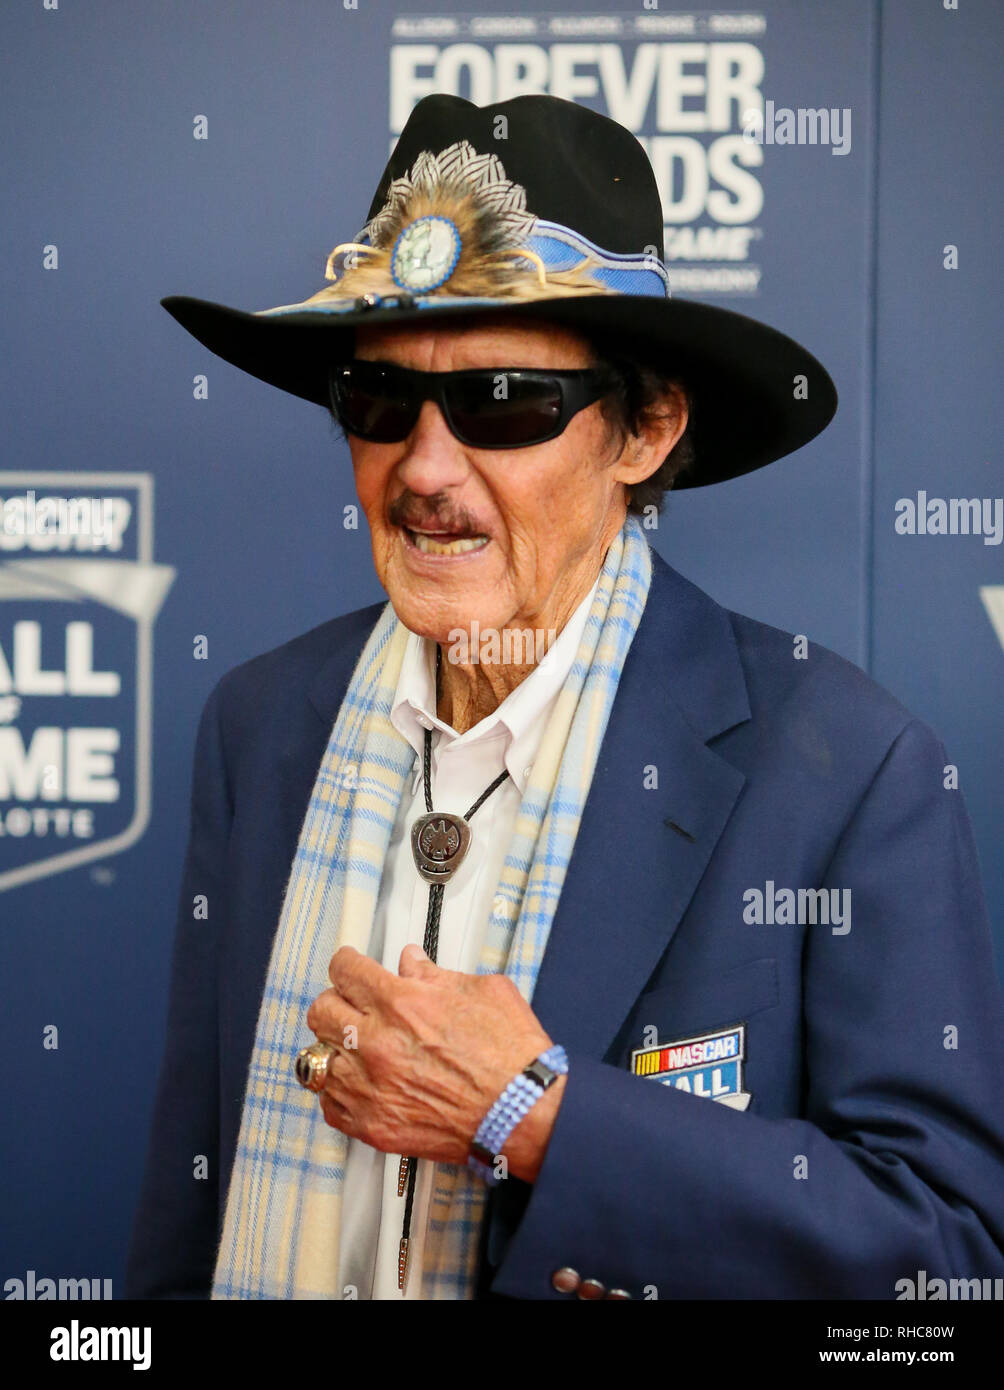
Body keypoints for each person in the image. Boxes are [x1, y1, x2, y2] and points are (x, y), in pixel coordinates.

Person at [125, 93, 1004, 1301]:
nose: (425, 470)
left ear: (642, 430)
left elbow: (943, 1258)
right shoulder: (262, 721)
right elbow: (190, 1207)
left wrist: (535, 1116)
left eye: (502, 402)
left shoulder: (849, 768)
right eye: (380, 401)